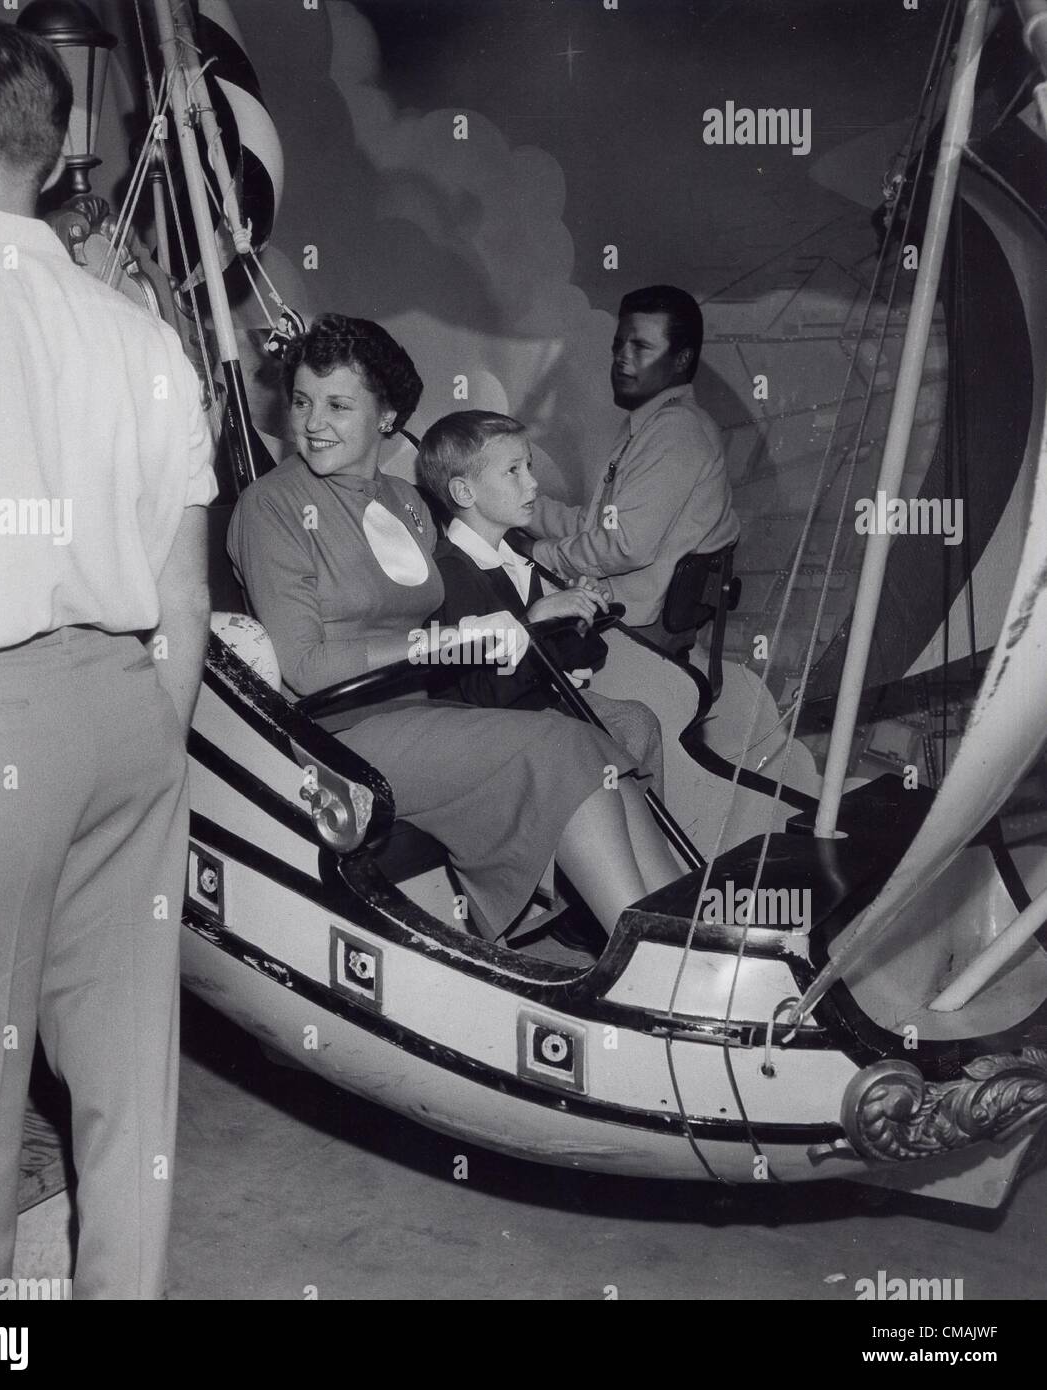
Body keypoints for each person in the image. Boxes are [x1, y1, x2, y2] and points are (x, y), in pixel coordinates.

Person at [0, 21, 216, 1299]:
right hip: (130, 714)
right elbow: (182, 593)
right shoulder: (139, 335)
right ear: (63, 150)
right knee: (130, 1087)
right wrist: (143, 746)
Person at [227, 314, 680, 946]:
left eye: (337, 404)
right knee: (559, 747)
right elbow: (302, 665)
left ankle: (688, 945)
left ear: (386, 417)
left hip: (423, 713)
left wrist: (526, 615)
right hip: (335, 738)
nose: (311, 422)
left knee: (597, 743)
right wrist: (444, 643)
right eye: (302, 401)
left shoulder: (409, 504)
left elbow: (459, 601)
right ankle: (651, 965)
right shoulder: (271, 507)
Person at [417, 409, 665, 794]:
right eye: (513, 471)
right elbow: (481, 695)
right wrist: (534, 620)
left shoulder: (516, 562)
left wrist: (580, 616)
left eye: (529, 467)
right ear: (464, 492)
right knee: (618, 731)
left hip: (539, 708)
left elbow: (578, 658)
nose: (532, 483)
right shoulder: (452, 573)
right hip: (493, 729)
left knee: (638, 721)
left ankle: (637, 845)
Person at [526, 284, 740, 635]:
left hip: (637, 630)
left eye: (640, 346)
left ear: (681, 359)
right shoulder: (655, 424)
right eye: (619, 345)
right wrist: (519, 511)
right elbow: (595, 526)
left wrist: (538, 554)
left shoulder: (677, 432)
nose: (621, 357)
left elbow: (625, 546)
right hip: (624, 617)